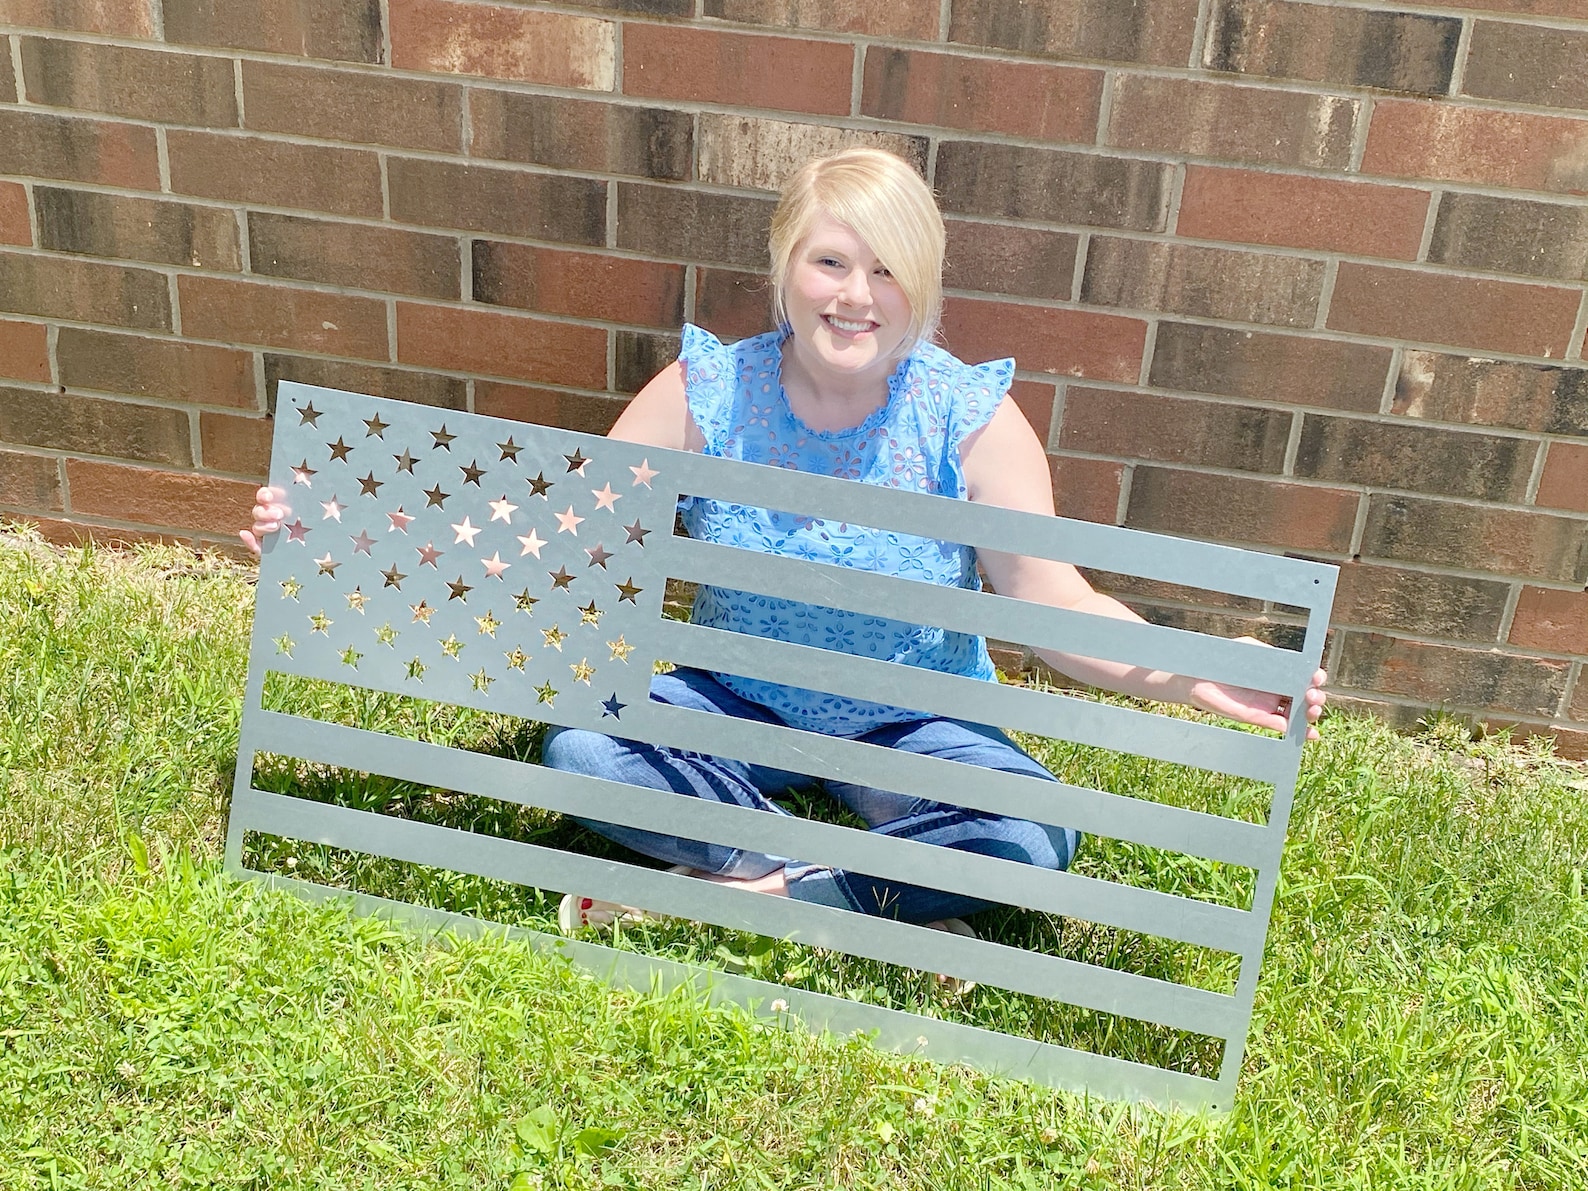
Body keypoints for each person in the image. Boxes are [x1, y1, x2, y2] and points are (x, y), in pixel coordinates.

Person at [244, 148, 1326, 938]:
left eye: (888, 270)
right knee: (581, 747)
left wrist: (1191, 669)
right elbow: (559, 541)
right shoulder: (708, 391)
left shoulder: (969, 419)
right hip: (730, 701)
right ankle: (849, 896)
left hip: (916, 722)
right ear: (784, 268)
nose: (857, 297)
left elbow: (1054, 602)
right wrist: (345, 533)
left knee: (1032, 835)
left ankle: (742, 894)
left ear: (924, 284)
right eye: (831, 262)